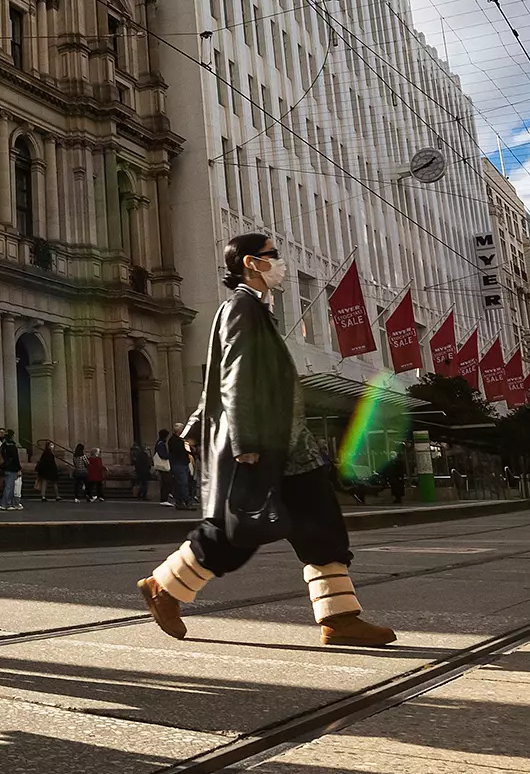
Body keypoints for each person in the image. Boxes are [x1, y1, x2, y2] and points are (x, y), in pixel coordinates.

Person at [137, 233, 396, 649]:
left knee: (321, 526)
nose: (281, 263)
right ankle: (162, 588)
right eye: (273, 256)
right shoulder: (240, 307)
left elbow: (219, 381)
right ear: (251, 263)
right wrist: (243, 440)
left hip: (292, 445)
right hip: (267, 443)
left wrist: (194, 427)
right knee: (236, 532)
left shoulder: (256, 309)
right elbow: (233, 376)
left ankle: (340, 618)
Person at [0, 430, 22, 510]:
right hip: (12, 468)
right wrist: (19, 469)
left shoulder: (3, 446)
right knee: (10, 486)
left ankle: (7, 503)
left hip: (5, 467)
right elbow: (15, 459)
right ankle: (6, 503)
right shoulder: (12, 446)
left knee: (8, 486)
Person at [169, 426, 195, 510]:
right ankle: (187, 502)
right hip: (179, 463)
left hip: (179, 463)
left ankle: (179, 502)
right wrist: (189, 447)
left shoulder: (174, 440)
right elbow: (184, 450)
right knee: (184, 483)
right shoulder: (177, 440)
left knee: (179, 484)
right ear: (179, 431)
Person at [154, 429, 174, 503]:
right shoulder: (161, 444)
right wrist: (170, 456)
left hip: (162, 466)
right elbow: (163, 455)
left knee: (166, 482)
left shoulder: (159, 443)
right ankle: (164, 499)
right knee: (166, 481)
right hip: (163, 466)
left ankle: (165, 498)